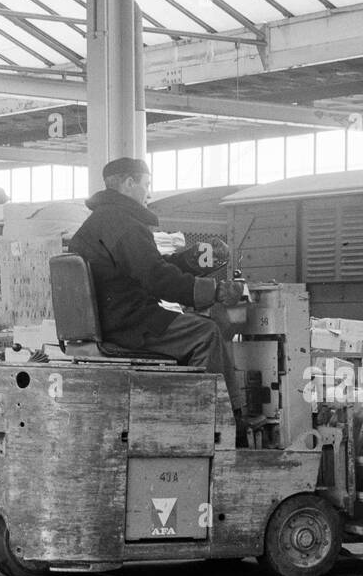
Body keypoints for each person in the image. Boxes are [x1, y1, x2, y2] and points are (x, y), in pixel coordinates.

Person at [68, 156, 244, 417]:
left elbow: (145, 268)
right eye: (146, 184)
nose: (148, 193)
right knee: (206, 333)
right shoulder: (125, 225)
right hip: (130, 324)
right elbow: (156, 278)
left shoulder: (100, 222)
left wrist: (189, 260)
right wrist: (214, 291)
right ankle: (219, 425)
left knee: (195, 330)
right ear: (129, 183)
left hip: (114, 320)